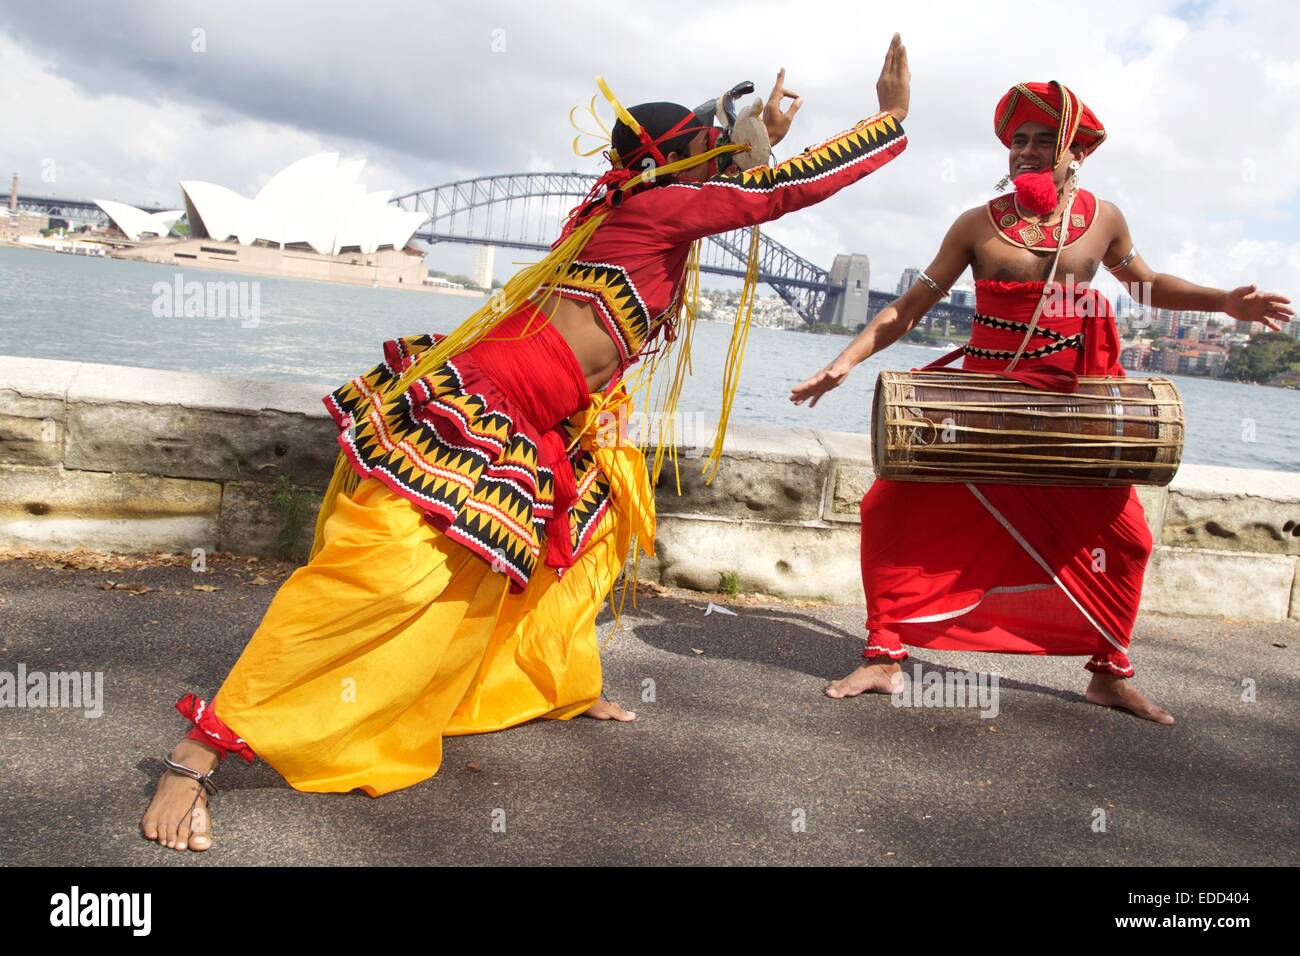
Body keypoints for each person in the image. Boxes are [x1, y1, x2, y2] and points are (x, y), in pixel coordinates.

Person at [140, 35, 914, 851]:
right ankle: (196, 757)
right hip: (492, 400)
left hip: (545, 415)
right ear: (675, 165)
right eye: (704, 151)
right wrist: (888, 121)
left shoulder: (635, 208)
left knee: (590, 531)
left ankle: (546, 682)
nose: (719, 159)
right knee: (380, 577)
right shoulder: (653, 208)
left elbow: (732, 185)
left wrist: (742, 140)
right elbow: (774, 195)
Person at [792, 80, 1292, 724]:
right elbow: (911, 306)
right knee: (892, 509)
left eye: (1041, 141)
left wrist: (1224, 302)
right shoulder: (975, 224)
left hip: (1070, 404)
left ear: (1073, 151)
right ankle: (885, 655)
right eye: (1016, 141)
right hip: (984, 398)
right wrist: (843, 362)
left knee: (1127, 539)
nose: (1025, 152)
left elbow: (1144, 285)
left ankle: (1109, 673)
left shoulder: (1103, 218)